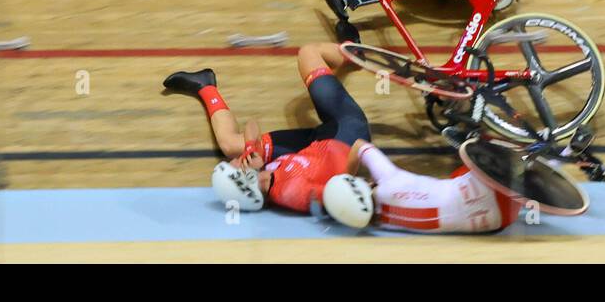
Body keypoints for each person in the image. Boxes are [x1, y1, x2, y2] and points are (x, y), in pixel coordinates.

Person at [163, 42, 370, 214]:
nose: (234, 162)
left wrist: (252, 147)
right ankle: (354, 53)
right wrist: (366, 163)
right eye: (233, 166)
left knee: (230, 145)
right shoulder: (291, 192)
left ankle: (205, 86)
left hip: (315, 145)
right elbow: (342, 190)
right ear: (245, 180)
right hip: (346, 132)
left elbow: (252, 123)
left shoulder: (265, 173)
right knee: (308, 52)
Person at [320, 138, 522, 233]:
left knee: (454, 184)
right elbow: (359, 145)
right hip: (494, 188)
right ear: (361, 184)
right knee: (473, 145)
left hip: (501, 220)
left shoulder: (379, 224)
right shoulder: (389, 180)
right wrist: (345, 176)